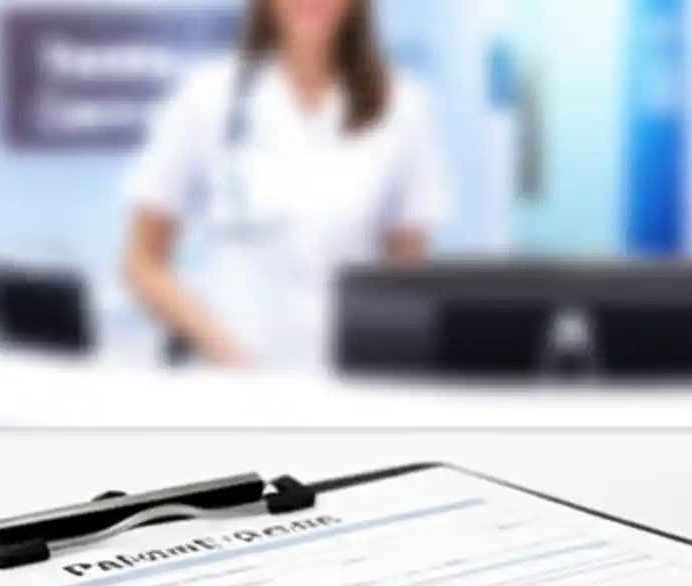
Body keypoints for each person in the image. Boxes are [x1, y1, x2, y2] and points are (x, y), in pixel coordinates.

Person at [123, 0, 449, 370]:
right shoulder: (207, 97)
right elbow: (142, 262)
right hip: (235, 385)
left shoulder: (402, 107)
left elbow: (406, 273)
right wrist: (224, 351)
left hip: (352, 385)